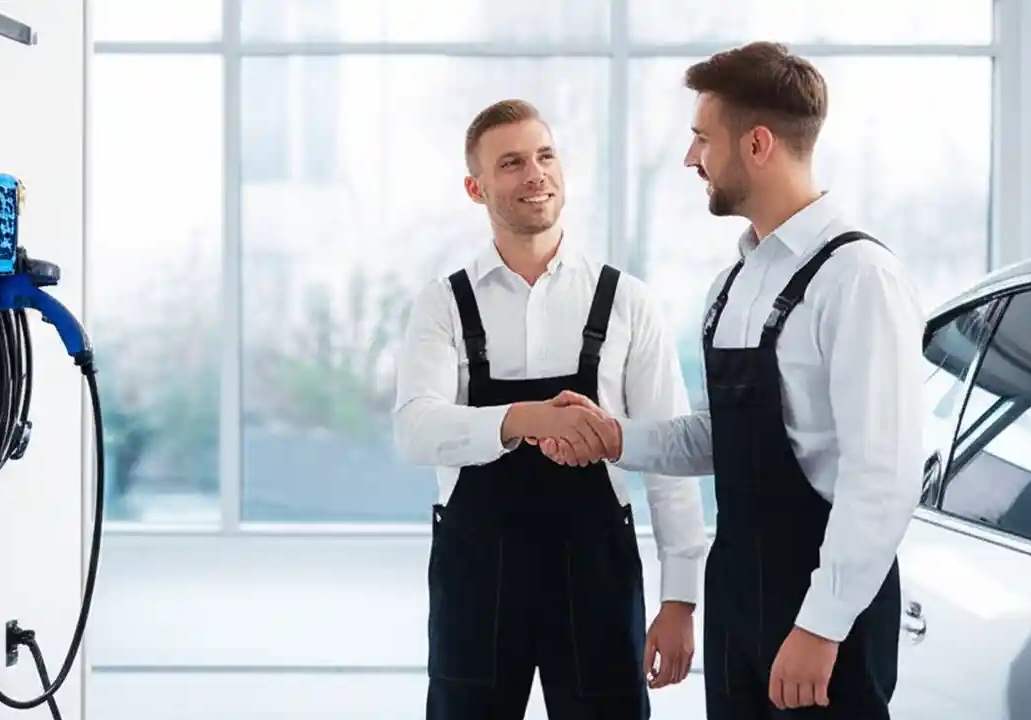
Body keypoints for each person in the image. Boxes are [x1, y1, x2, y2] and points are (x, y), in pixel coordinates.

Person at [537, 42, 925, 718]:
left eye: (702, 137)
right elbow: (724, 437)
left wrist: (822, 624)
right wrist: (615, 437)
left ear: (757, 144)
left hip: (821, 605)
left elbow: (883, 477)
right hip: (737, 596)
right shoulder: (733, 284)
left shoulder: (859, 279)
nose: (692, 158)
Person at [393, 98, 708, 720]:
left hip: (596, 578)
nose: (535, 174)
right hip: (477, 579)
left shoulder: (626, 301)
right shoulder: (444, 304)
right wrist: (526, 419)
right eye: (511, 163)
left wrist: (680, 599)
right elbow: (414, 428)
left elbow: (668, 454)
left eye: (545, 156)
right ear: (476, 188)